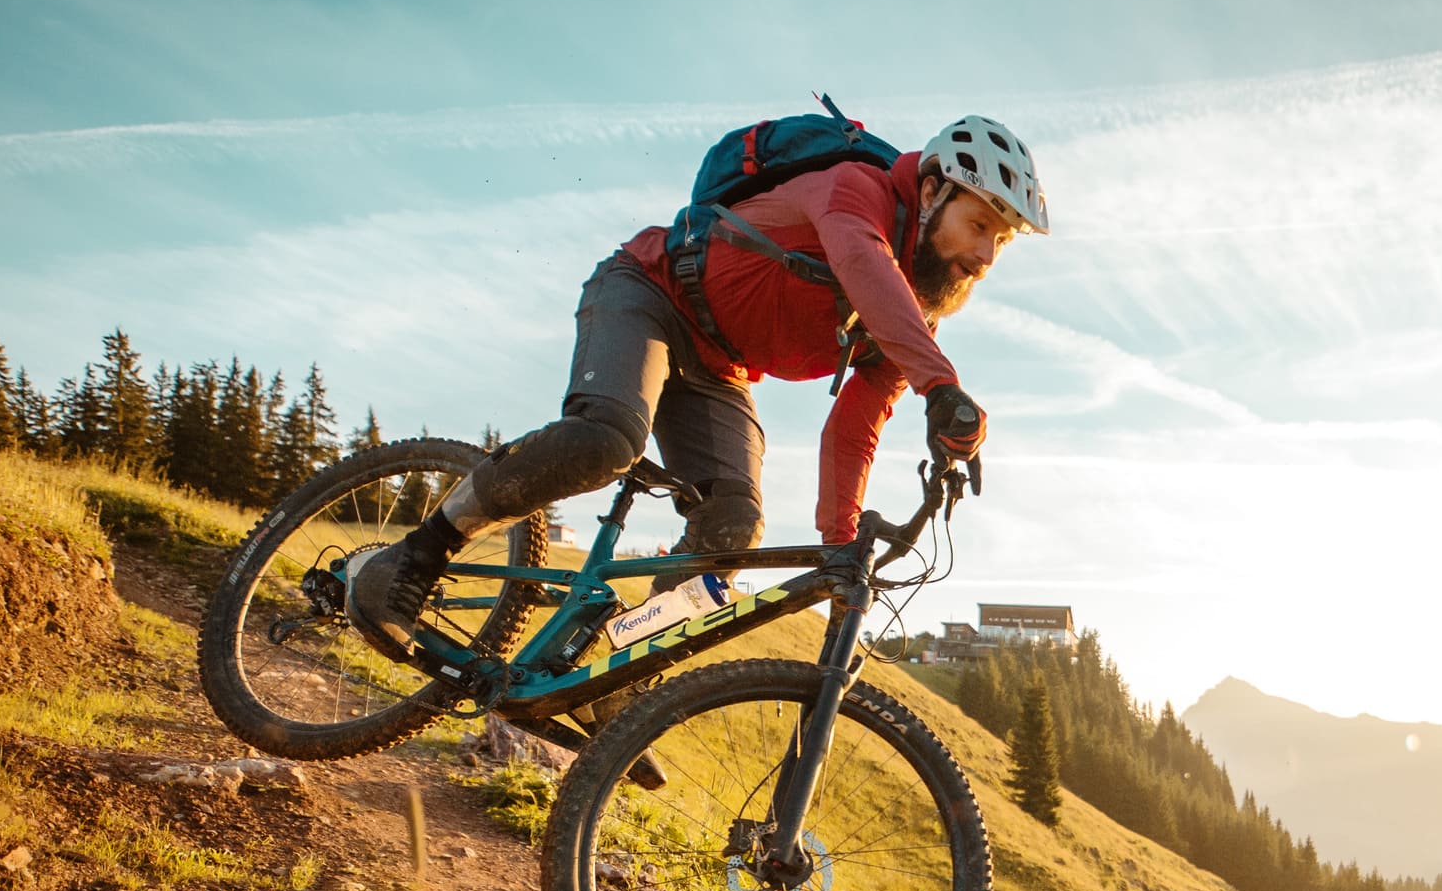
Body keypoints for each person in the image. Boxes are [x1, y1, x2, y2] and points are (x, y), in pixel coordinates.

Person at [344, 113, 1050, 664]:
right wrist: (940, 385)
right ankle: (414, 557)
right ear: (929, 191)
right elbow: (862, 263)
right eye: (978, 224)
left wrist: (840, 547)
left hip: (717, 369)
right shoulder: (853, 191)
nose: (984, 255)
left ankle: (618, 677)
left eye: (1001, 241)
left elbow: (854, 428)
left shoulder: (910, 320)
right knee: (604, 442)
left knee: (731, 528)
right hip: (648, 291)